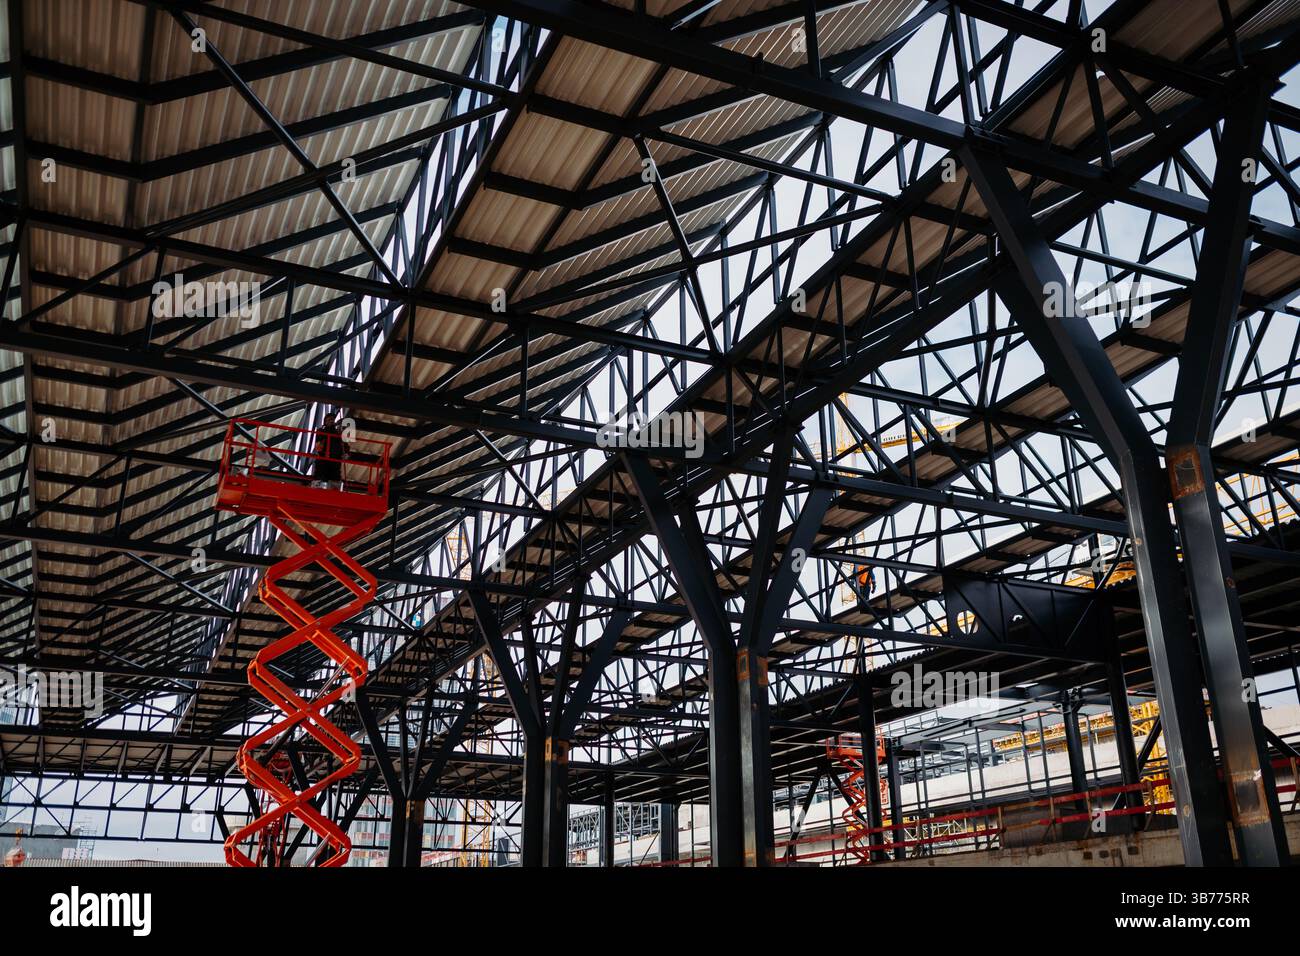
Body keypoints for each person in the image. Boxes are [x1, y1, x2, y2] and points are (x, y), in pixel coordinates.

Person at [313, 411, 348, 489]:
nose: (331, 421)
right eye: (329, 420)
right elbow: (319, 442)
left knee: (334, 476)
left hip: (335, 459)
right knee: (321, 474)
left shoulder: (338, 433)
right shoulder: (321, 431)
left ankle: (333, 490)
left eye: (332, 419)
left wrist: (346, 453)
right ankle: (317, 487)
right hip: (323, 458)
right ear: (325, 422)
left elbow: (344, 445)